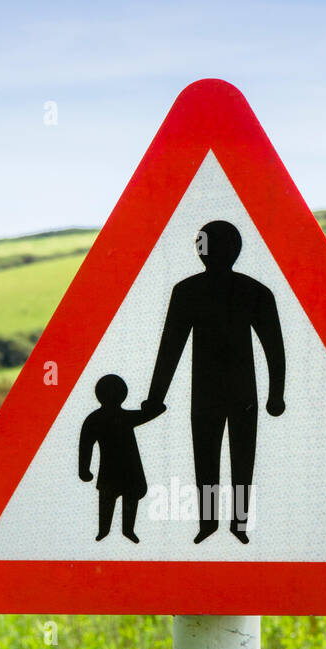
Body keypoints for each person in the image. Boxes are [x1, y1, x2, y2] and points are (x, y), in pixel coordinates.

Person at [143, 220, 285, 544]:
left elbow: (273, 347)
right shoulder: (189, 292)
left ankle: (238, 524)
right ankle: (211, 523)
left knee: (237, 460)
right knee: (211, 460)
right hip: (212, 393)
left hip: (235, 393)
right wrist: (155, 398)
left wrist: (276, 395)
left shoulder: (253, 292)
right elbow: (170, 348)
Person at [79, 374, 160, 542]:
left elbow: (86, 445)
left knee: (125, 498)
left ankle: (126, 530)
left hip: (125, 470)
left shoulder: (100, 418)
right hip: (114, 470)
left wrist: (84, 470)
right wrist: (84, 469)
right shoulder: (98, 419)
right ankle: (105, 531)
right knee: (108, 500)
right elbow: (86, 445)